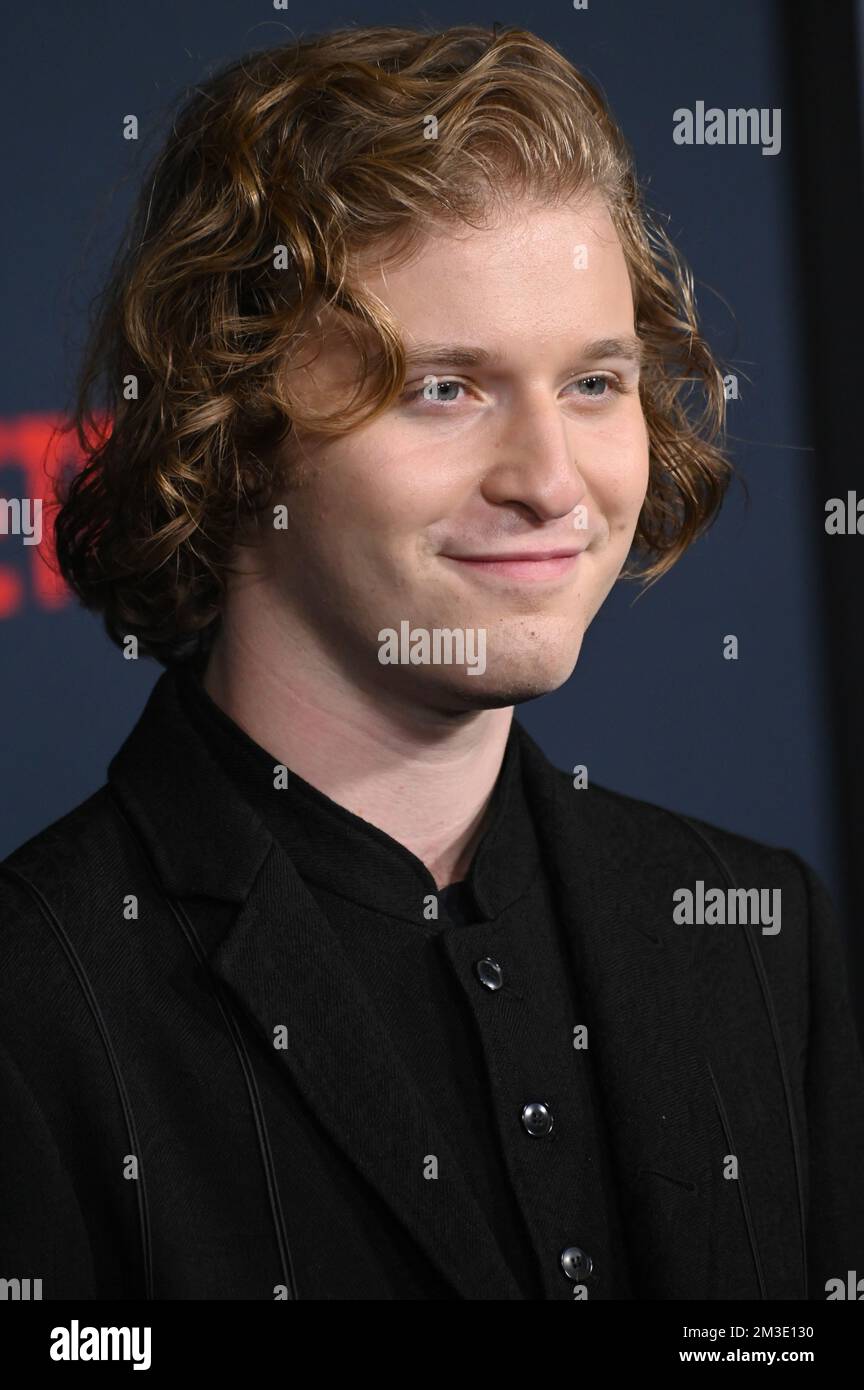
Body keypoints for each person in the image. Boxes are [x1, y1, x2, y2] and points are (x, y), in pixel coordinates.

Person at [1, 23, 862, 1302]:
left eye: (592, 382)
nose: (550, 481)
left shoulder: (756, 933)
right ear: (230, 430)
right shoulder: (34, 1004)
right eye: (444, 390)